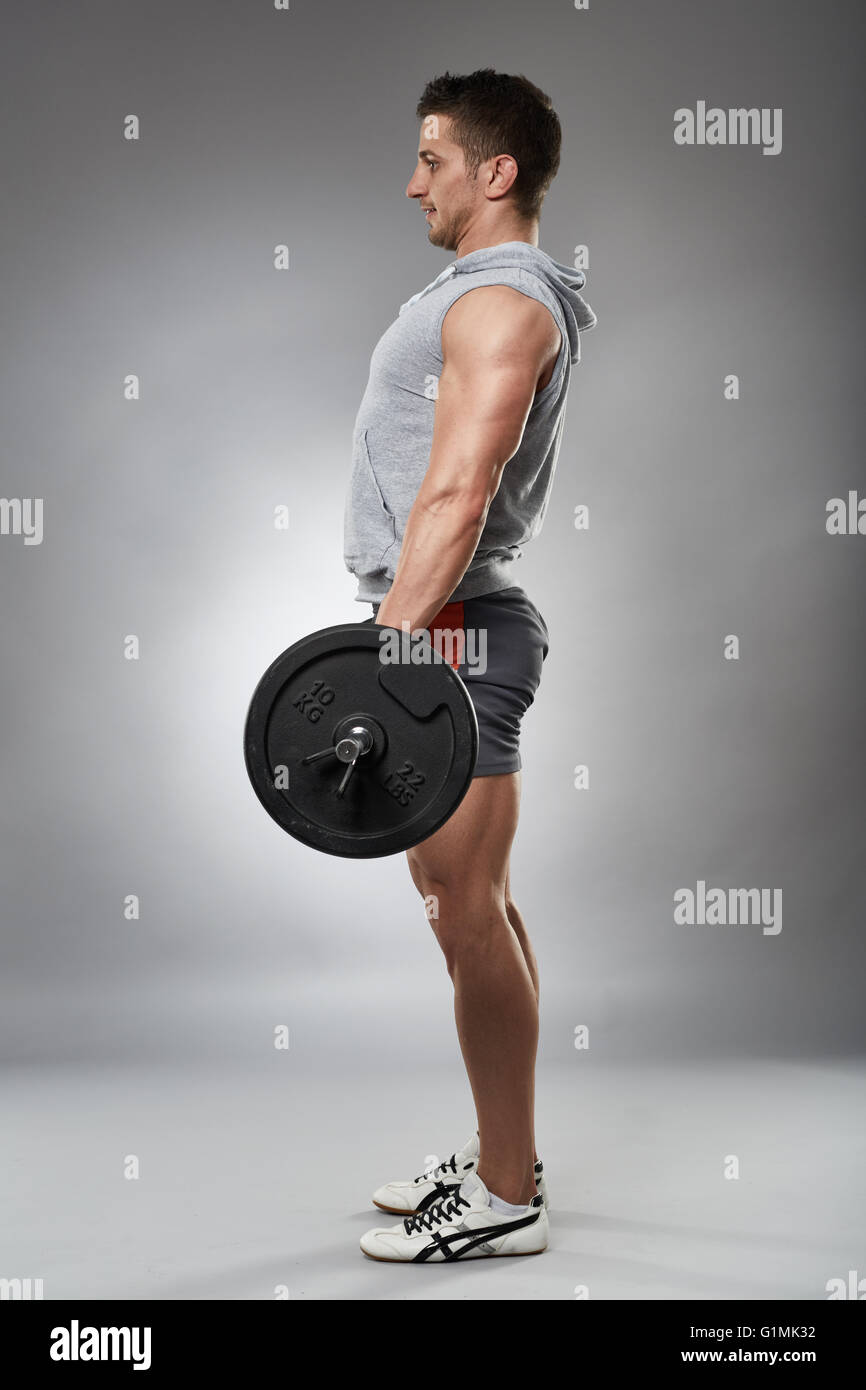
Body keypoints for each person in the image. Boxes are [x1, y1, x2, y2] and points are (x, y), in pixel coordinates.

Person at [343, 68, 597, 1262]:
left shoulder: (499, 305)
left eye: (431, 160)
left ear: (494, 173)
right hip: (444, 625)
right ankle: (510, 1158)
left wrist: (388, 652)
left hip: (449, 633)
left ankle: (504, 1199)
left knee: (461, 916)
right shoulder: (492, 294)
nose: (412, 183)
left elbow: (458, 486)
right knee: (476, 910)